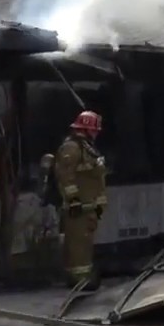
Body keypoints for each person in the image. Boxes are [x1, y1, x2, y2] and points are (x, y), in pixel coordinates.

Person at [54, 111, 106, 291]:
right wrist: (73, 199)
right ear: (86, 129)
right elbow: (65, 176)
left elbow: (96, 179)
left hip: (88, 207)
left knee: (85, 245)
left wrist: (99, 204)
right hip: (78, 207)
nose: (96, 133)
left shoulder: (87, 148)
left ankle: (83, 278)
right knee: (78, 246)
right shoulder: (72, 148)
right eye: (94, 130)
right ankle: (79, 280)